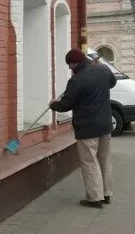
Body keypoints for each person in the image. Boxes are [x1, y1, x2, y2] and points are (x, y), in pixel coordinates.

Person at [49, 48, 117, 208]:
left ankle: (95, 198)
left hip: (87, 128)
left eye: (69, 65)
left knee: (89, 162)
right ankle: (107, 194)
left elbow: (66, 104)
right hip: (105, 125)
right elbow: (112, 83)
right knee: (105, 160)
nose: (69, 68)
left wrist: (53, 105)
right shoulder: (102, 69)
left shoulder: (76, 80)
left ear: (75, 63)